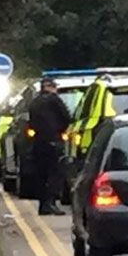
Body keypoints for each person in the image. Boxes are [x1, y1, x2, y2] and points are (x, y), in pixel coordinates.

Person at [29, 77, 72, 215]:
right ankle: (51, 203)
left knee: (41, 174)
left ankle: (43, 205)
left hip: (38, 142)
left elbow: (31, 122)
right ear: (49, 87)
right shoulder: (55, 100)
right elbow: (66, 117)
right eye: (54, 86)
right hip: (53, 140)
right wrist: (60, 130)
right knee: (55, 173)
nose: (56, 89)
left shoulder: (34, 102)